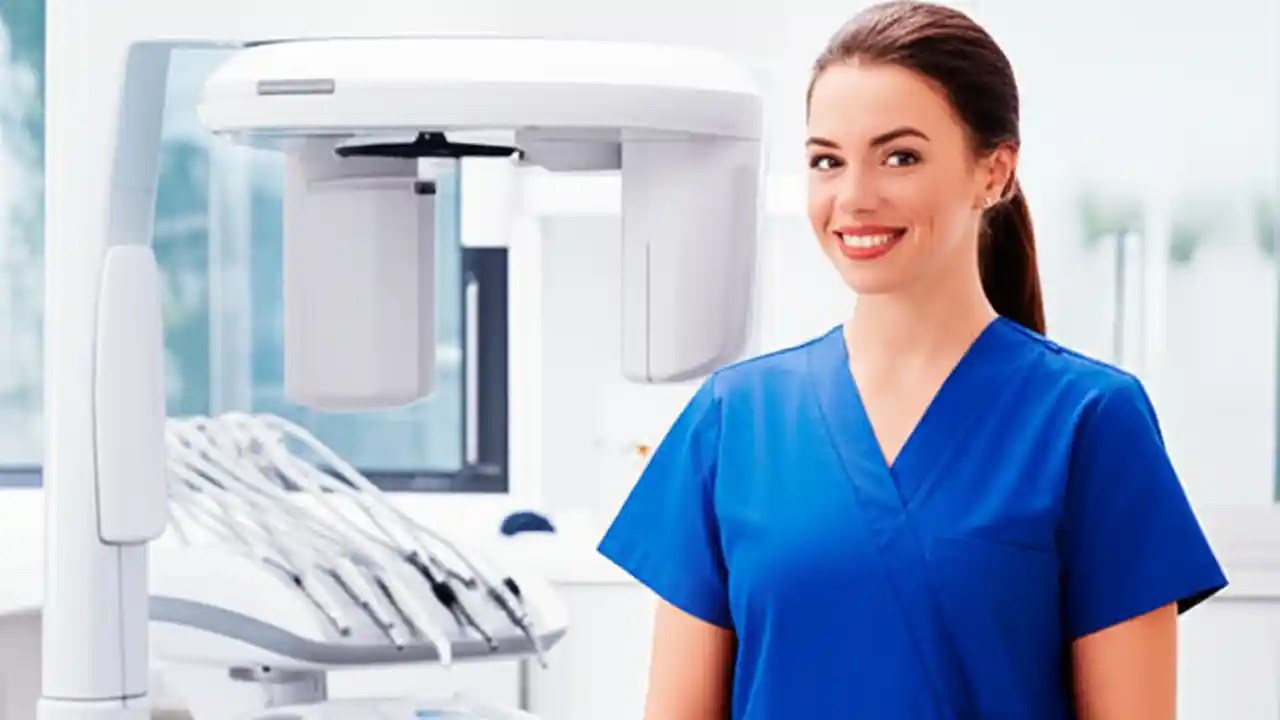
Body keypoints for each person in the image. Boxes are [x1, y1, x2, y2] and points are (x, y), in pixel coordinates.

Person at [595, 1, 1229, 718]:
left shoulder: (1090, 421)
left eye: (900, 156)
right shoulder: (732, 420)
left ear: (995, 172)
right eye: (827, 161)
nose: (854, 197)